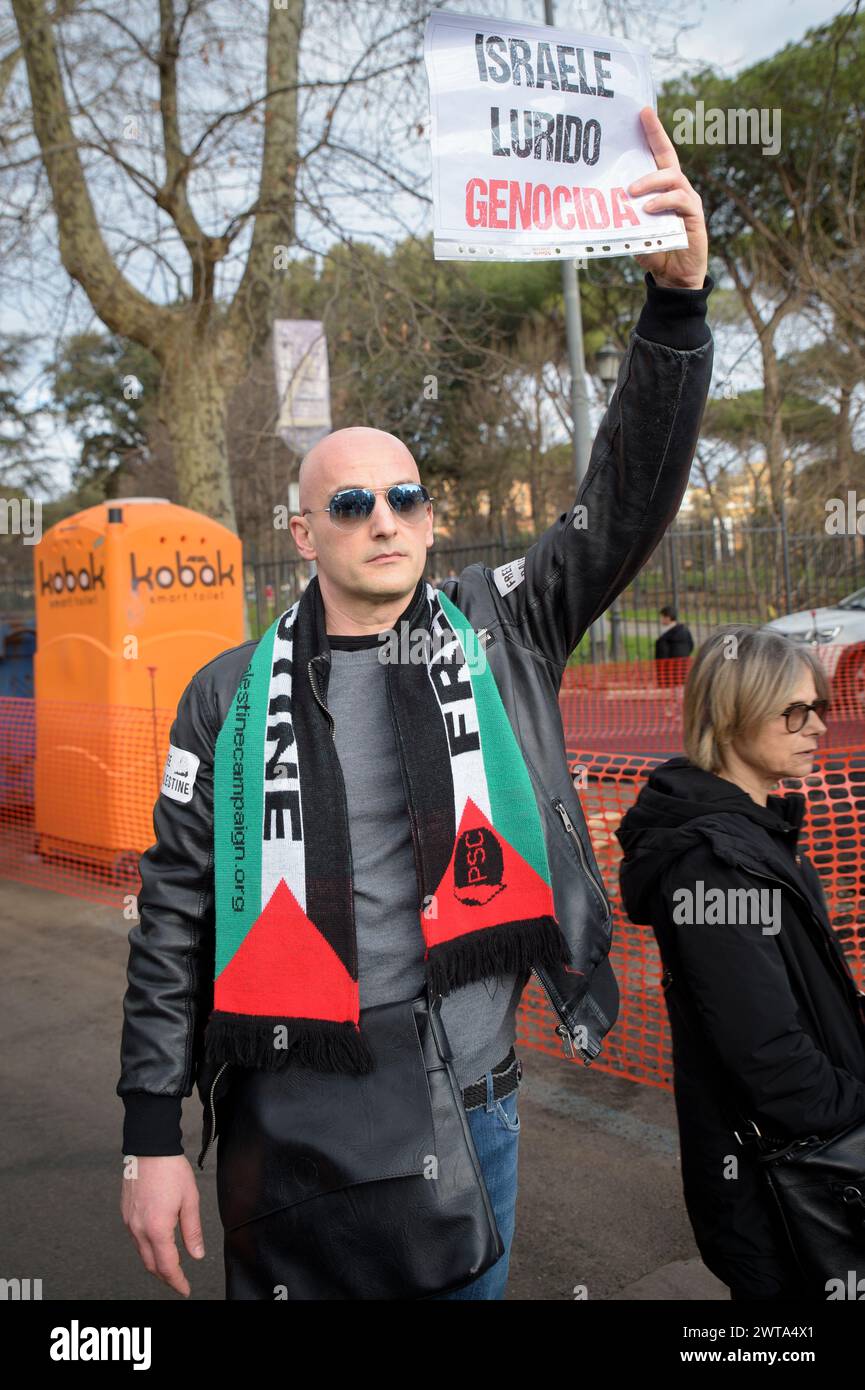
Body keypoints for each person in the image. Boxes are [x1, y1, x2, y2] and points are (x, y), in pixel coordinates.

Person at [118, 106, 715, 1301]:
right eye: (350, 504)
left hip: (470, 1104)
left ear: (430, 519)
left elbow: (626, 500)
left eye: (403, 496)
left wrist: (675, 311)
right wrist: (146, 1134)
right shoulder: (225, 695)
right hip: (283, 1119)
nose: (382, 517)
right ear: (303, 533)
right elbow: (173, 918)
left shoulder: (501, 627)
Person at [616, 626, 865, 1301]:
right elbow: (770, 1064)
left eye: (817, 708)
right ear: (730, 717)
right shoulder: (712, 867)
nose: (816, 727)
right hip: (775, 1183)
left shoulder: (758, 833)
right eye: (794, 712)